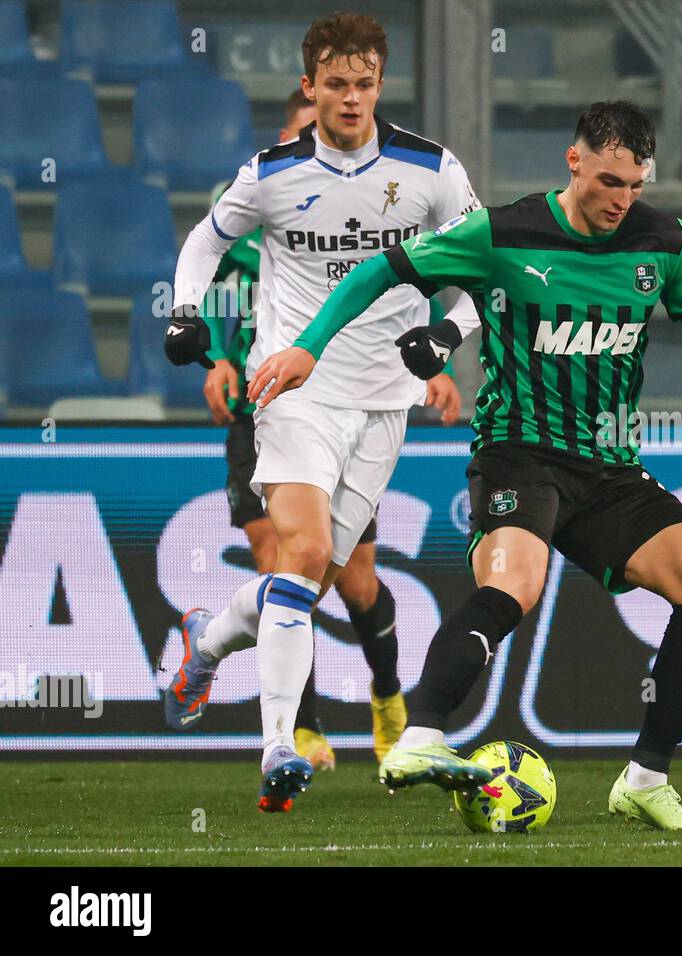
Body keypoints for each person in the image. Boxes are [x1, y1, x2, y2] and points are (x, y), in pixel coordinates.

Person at [246, 100, 682, 831]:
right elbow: (379, 271)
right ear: (575, 162)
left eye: (634, 184)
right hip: (519, 455)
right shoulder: (502, 233)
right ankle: (420, 735)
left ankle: (644, 778)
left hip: (609, 468)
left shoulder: (665, 242)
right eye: (608, 182)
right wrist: (310, 345)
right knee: (515, 583)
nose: (620, 201)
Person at [163, 11, 481, 812]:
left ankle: (204, 641)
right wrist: (188, 311)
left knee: (304, 579)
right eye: (335, 84)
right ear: (310, 85)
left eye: (363, 83)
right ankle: (279, 747)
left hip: (385, 408)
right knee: (299, 553)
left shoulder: (432, 171)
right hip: (295, 392)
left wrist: (444, 336)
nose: (349, 97)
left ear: (380, 84)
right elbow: (206, 240)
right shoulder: (270, 173)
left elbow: (490, 271)